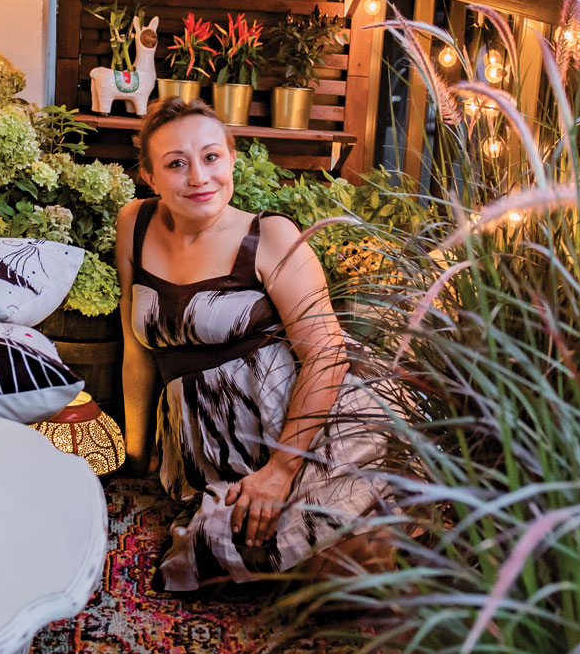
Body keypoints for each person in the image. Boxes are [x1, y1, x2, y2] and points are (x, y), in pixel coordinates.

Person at [116, 99, 389, 591]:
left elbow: (327, 352)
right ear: (150, 176)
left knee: (350, 558)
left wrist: (282, 470)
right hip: (211, 448)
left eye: (211, 157)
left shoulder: (270, 234)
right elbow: (137, 350)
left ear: (232, 159)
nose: (199, 177)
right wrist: (134, 458)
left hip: (300, 428)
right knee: (220, 551)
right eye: (176, 163)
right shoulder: (134, 224)